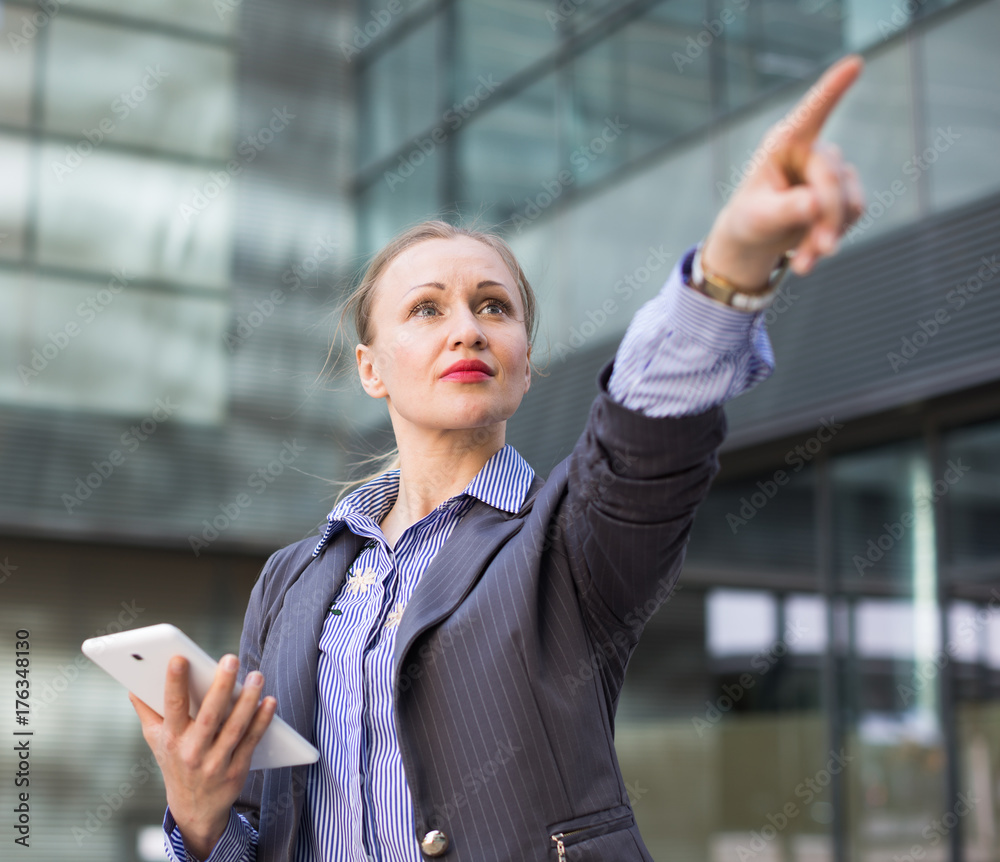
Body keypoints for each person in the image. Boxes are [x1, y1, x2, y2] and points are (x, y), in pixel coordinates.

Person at [130, 55, 866, 862]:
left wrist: (730, 261)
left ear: (524, 359)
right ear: (371, 369)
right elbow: (260, 829)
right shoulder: (292, 579)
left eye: (493, 307)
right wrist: (195, 817)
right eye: (426, 309)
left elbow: (646, 436)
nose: (468, 329)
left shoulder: (566, 544)